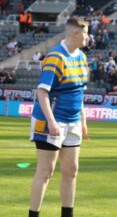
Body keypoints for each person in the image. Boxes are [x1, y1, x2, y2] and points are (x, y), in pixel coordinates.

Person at [28, 17, 89, 217]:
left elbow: (79, 91)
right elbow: (42, 92)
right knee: (46, 171)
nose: (88, 37)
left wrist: (83, 119)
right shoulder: (56, 57)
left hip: (73, 121)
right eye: (86, 33)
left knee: (71, 170)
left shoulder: (82, 57)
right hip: (50, 120)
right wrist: (52, 122)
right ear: (76, 33)